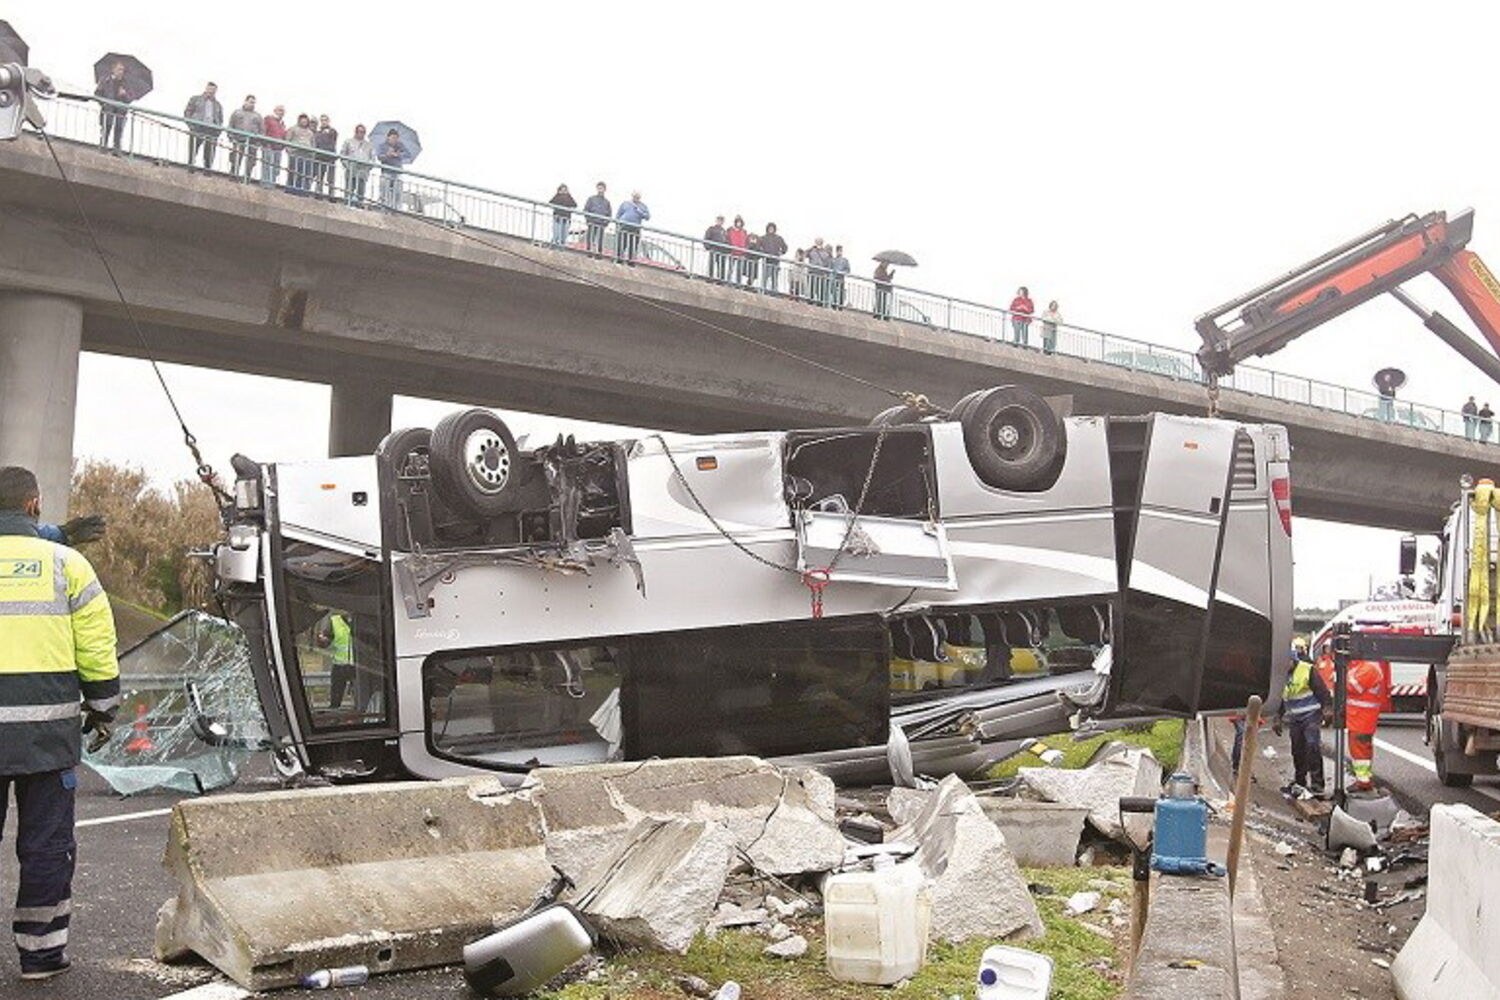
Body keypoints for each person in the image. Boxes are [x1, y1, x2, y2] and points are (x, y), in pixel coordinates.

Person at [0, 467, 120, 981]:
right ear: (33, 505)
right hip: (46, 737)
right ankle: (41, 955)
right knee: (46, 845)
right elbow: (96, 646)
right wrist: (103, 706)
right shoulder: (67, 564)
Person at [1274, 637, 1331, 796]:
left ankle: (1318, 785)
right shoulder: (1280, 675)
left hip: (1311, 715)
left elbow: (1322, 692)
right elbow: (1280, 698)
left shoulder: (1307, 669)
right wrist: (1278, 717)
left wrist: (1327, 708)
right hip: (1295, 718)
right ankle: (1300, 782)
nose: (1285, 666)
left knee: (1312, 745)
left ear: (1293, 659)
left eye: (1287, 662)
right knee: (1297, 749)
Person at [1345, 656, 1388, 792]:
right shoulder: (1360, 666)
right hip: (1358, 717)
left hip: (1363, 718)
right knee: (1359, 749)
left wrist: (1340, 677)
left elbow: (1354, 687)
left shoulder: (1369, 668)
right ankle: (1363, 779)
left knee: (1360, 750)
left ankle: (1363, 782)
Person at [183, 82, 224, 171]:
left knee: (209, 152)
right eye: (209, 89)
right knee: (194, 149)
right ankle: (191, 167)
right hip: (198, 127)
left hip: (211, 130)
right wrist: (191, 126)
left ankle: (207, 169)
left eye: (213, 90)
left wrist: (217, 131)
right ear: (206, 89)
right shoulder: (195, 99)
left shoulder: (218, 105)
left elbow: (220, 119)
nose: (211, 91)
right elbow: (187, 113)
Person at [93, 61, 132, 154]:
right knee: (106, 127)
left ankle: (116, 149)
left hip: (120, 110)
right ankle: (103, 146)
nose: (121, 72)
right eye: (119, 69)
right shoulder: (105, 80)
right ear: (113, 70)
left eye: (122, 70)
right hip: (108, 108)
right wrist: (103, 103)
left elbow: (130, 98)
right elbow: (97, 94)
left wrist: (124, 94)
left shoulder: (126, 83)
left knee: (119, 129)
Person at [226, 95, 262, 181]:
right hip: (238, 139)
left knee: (251, 162)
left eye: (253, 103)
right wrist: (231, 137)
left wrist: (258, 142)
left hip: (252, 142)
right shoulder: (237, 112)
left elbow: (261, 130)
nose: (252, 104)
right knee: (236, 159)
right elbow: (231, 125)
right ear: (245, 101)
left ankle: (247, 178)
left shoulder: (257, 116)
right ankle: (233, 176)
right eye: (250, 102)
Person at [339, 124, 375, 205]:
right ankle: (347, 205)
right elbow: (342, 155)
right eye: (359, 131)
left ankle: (359, 206)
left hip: (362, 172)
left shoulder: (369, 145)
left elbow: (373, 159)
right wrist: (347, 165)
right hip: (351, 170)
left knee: (361, 192)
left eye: (363, 132)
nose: (360, 133)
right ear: (355, 132)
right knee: (349, 191)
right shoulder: (348, 141)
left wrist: (367, 168)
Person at [615, 192, 650, 265]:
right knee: (621, 243)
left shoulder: (643, 206)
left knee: (633, 245)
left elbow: (647, 217)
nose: (636, 197)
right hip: (624, 226)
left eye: (637, 196)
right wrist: (618, 224)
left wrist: (639, 212)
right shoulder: (625, 203)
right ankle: (619, 259)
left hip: (635, 228)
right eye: (635, 196)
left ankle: (631, 261)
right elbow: (618, 215)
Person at [377, 128, 409, 209]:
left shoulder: (400, 145)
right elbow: (379, 157)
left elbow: (408, 154)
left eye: (396, 138)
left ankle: (396, 209)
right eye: (393, 137)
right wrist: (388, 154)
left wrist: (399, 155)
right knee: (385, 191)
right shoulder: (382, 146)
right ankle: (385, 207)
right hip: (386, 172)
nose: (395, 140)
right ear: (388, 137)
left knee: (398, 192)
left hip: (397, 172)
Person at [285, 114, 316, 194]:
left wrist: (312, 155)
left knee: (304, 174)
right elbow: (287, 140)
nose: (304, 122)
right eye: (302, 120)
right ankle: (290, 189)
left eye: (305, 120)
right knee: (293, 172)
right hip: (295, 154)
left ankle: (302, 191)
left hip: (306, 155)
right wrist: (290, 151)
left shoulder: (310, 132)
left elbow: (313, 144)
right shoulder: (293, 129)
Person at [259, 104, 287, 187]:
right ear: (275, 111)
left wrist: (283, 146)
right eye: (279, 110)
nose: (281, 112)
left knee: (276, 168)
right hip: (269, 146)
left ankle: (272, 184)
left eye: (282, 111)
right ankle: (265, 185)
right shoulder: (268, 119)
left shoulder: (282, 124)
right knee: (267, 166)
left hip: (278, 148)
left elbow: (283, 135)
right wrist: (265, 143)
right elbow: (264, 131)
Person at [314, 115, 339, 199]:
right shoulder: (318, 133)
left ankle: (331, 195)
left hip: (330, 157)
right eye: (322, 120)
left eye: (325, 120)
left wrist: (327, 132)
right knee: (320, 176)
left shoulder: (332, 131)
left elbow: (334, 138)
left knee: (330, 178)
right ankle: (318, 192)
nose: (324, 122)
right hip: (320, 156)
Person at [583, 182, 611, 257]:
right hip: (592, 222)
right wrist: (588, 220)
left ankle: (599, 253)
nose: (600, 190)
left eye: (602, 188)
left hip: (601, 223)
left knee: (600, 239)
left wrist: (606, 223)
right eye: (599, 188)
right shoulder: (591, 199)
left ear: (605, 189)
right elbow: (586, 210)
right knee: (590, 238)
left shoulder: (607, 202)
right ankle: (589, 252)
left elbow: (609, 214)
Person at [759, 223, 787, 294]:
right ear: (767, 229)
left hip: (775, 260)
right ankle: (763, 289)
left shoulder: (778, 238)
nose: (771, 229)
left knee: (774, 277)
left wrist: (781, 252)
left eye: (772, 228)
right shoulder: (763, 238)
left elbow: (785, 247)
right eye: (769, 228)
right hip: (767, 260)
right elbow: (758, 247)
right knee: (765, 276)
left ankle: (774, 291)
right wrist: (762, 252)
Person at [807, 239, 833, 305]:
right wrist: (811, 248)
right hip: (813, 272)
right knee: (812, 289)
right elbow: (805, 254)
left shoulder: (825, 253)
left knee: (819, 290)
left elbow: (828, 263)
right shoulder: (812, 251)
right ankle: (812, 301)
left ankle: (818, 303)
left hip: (819, 273)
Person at [726, 216, 751, 284]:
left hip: (741, 253)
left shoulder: (744, 232)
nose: (738, 224)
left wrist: (745, 250)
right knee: (730, 268)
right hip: (732, 252)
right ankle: (728, 281)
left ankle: (738, 283)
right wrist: (729, 248)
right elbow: (727, 239)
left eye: (740, 222)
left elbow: (747, 242)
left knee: (739, 270)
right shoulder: (730, 230)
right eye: (737, 222)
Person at [704, 215, 728, 282]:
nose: (720, 222)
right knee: (711, 264)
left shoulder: (724, 231)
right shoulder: (711, 229)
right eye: (719, 220)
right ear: (716, 221)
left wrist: (725, 250)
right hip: (714, 249)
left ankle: (721, 279)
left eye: (721, 221)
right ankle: (710, 277)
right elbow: (706, 238)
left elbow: (726, 241)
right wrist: (708, 247)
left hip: (721, 251)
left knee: (721, 265)